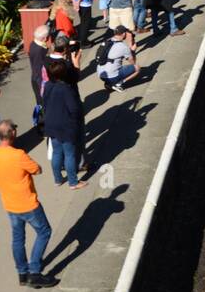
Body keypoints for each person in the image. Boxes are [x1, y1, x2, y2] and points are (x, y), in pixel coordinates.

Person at [0, 120, 58, 288]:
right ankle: (35, 272)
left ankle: (22, 273)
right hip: (28, 204)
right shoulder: (18, 155)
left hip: (10, 205)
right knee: (44, 232)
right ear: (13, 134)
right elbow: (37, 170)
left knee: (18, 239)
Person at [42, 60, 87, 189]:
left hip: (51, 123)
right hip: (66, 126)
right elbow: (74, 109)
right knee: (69, 154)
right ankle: (73, 182)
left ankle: (58, 179)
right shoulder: (66, 89)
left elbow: (44, 103)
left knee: (57, 152)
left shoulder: (48, 86)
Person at [98, 27, 140, 91]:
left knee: (115, 65)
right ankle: (118, 83)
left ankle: (109, 83)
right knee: (137, 68)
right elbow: (133, 63)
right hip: (112, 76)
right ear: (123, 34)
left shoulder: (107, 41)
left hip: (101, 74)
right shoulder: (123, 46)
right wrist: (132, 51)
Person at [28, 23, 50, 112]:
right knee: (43, 104)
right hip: (39, 81)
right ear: (45, 38)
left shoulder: (34, 43)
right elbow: (38, 69)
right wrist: (42, 85)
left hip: (37, 78)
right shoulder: (38, 50)